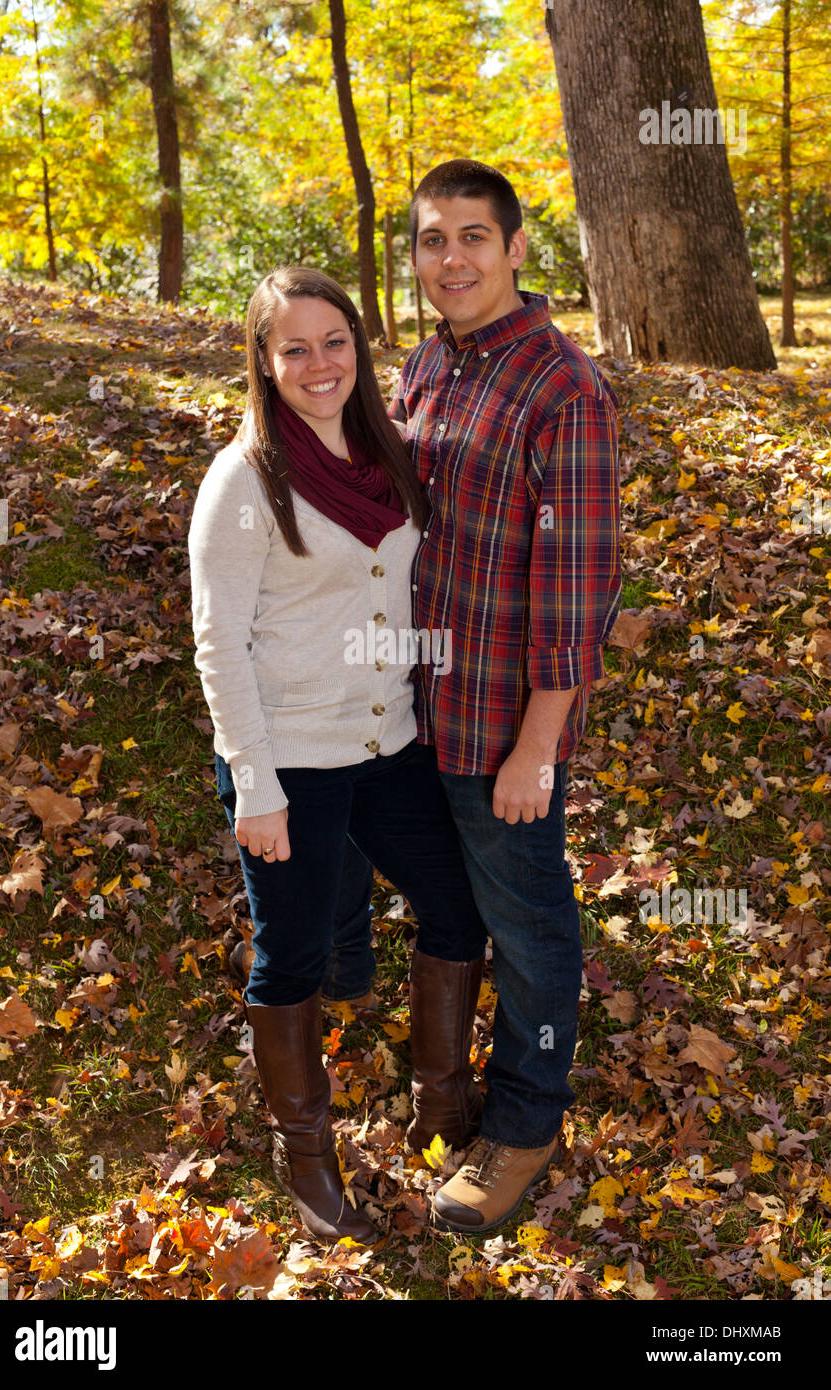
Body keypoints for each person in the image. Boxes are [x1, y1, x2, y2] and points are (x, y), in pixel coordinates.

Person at [187, 265, 488, 1247]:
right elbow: (217, 642)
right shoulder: (245, 479)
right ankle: (304, 1153)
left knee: (455, 906)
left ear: (358, 349)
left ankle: (440, 1104)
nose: (319, 364)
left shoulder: (386, 450)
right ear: (264, 364)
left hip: (389, 741)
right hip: (291, 755)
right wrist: (255, 783)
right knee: (292, 955)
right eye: (294, 348)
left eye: (335, 343)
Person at [387, 159, 622, 1235]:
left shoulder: (561, 387)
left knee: (531, 929)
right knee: (455, 905)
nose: (451, 259)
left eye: (472, 237)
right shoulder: (431, 363)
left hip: (497, 730)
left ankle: (524, 1123)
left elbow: (575, 591)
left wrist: (537, 747)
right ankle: (442, 1082)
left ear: (516, 246)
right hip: (412, 706)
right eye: (433, 239)